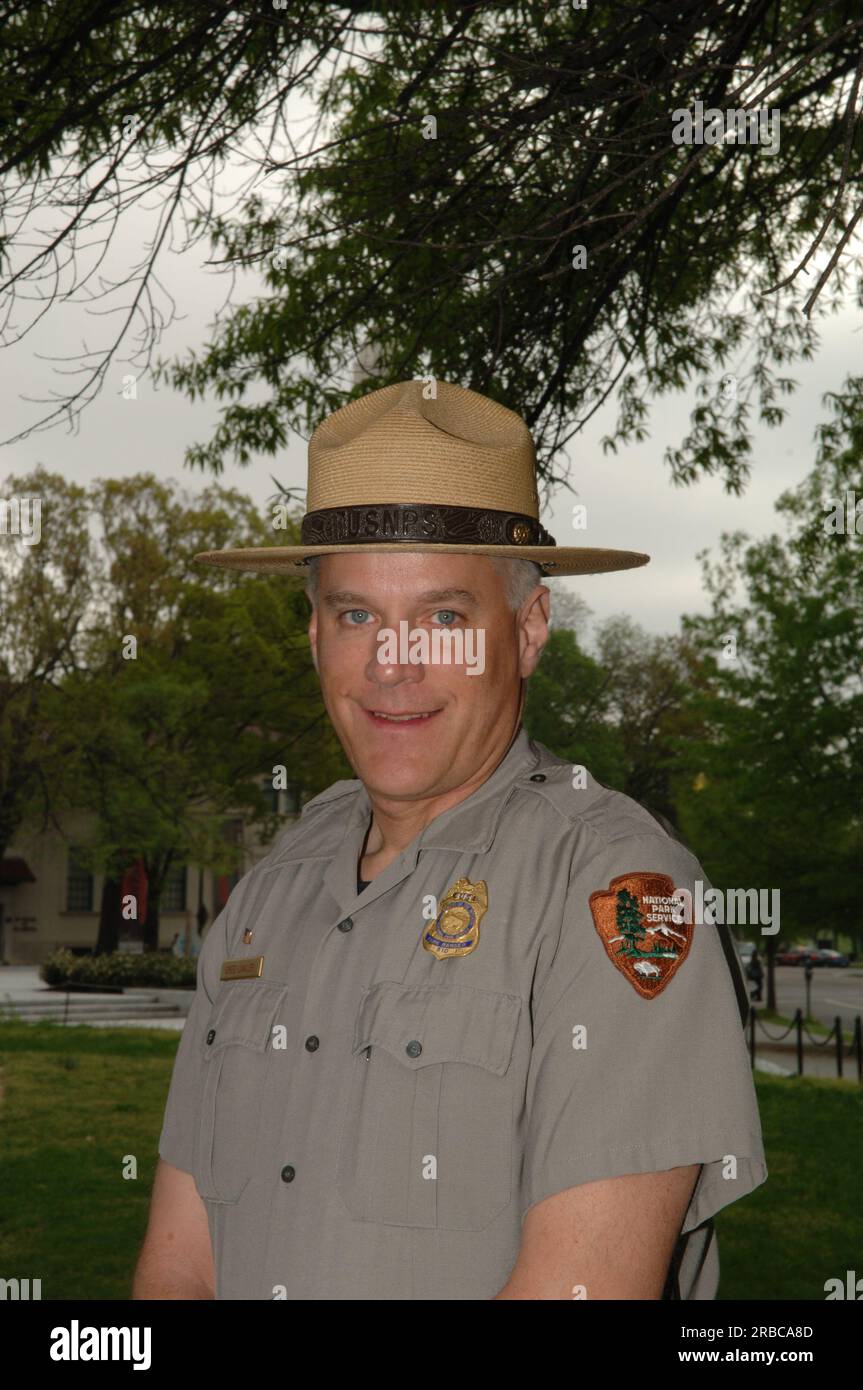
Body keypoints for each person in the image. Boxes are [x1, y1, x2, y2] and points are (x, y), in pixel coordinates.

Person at [133, 378, 767, 1301]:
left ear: (529, 628)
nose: (393, 665)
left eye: (442, 617)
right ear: (313, 633)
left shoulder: (619, 891)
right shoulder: (270, 891)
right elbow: (179, 1264)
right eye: (357, 615)